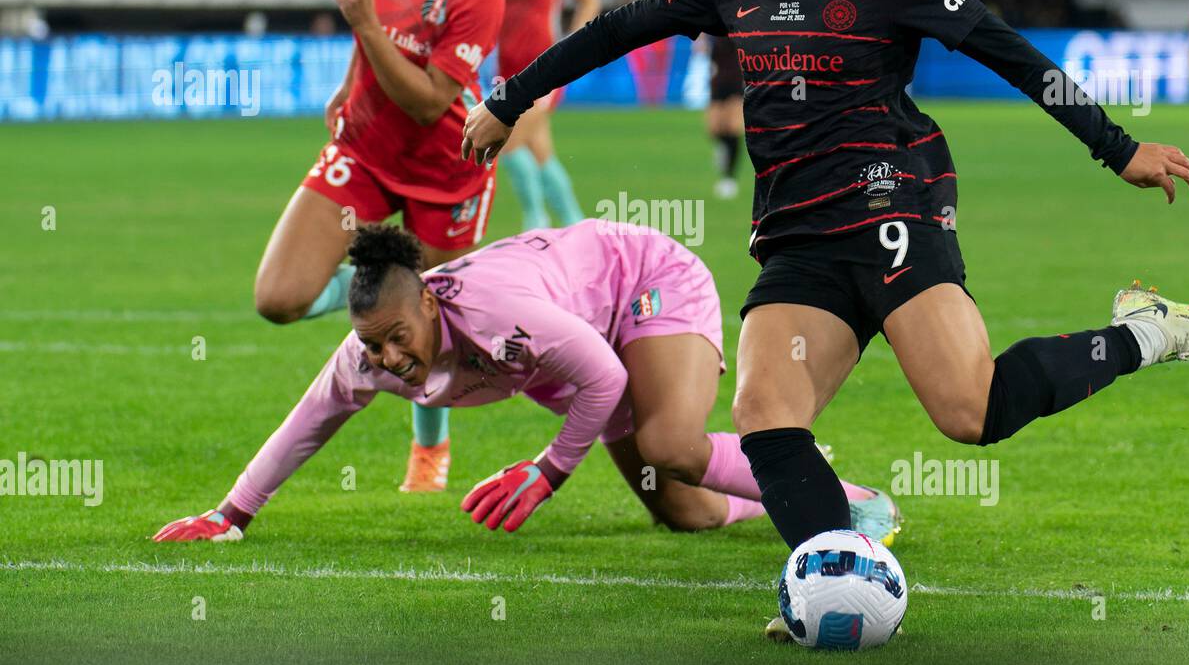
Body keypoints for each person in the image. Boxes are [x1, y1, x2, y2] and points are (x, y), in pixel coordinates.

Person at [462, 0, 1189, 563]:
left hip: (893, 205)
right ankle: (832, 569)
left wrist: (1116, 148)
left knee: (968, 413)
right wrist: (510, 98)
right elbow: (615, 30)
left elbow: (1009, 52)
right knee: (766, 416)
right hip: (796, 233)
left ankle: (1148, 333)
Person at [153, 221, 900, 542]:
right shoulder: (371, 349)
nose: (386, 360)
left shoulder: (491, 310)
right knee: (686, 513)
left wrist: (548, 472)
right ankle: (794, 486)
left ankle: (851, 505)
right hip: (581, 338)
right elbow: (306, 423)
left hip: (646, 282)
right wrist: (232, 514)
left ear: (429, 300)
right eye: (371, 348)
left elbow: (604, 376)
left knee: (670, 440)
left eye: (394, 341)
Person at [252, 0, 505, 494]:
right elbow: (371, 34)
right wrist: (345, 83)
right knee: (277, 297)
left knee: (429, 326)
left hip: (445, 167)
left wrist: (365, 25)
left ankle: (430, 451)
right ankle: (369, 282)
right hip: (364, 150)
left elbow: (428, 100)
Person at [480, 0, 601, 231]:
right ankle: (574, 223)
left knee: (506, 140)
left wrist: (575, 41)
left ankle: (535, 221)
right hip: (502, 75)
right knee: (538, 148)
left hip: (547, 71)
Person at [707, 33, 746, 199]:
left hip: (736, 85)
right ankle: (722, 151)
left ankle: (729, 178)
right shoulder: (716, 37)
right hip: (718, 85)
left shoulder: (741, 34)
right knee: (714, 128)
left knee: (733, 129)